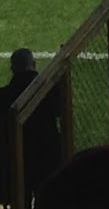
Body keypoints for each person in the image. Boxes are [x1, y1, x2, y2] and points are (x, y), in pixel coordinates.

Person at [2, 49, 63, 209]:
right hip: (48, 155)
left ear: (12, 68)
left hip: (17, 158)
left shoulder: (4, 96)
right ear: (34, 65)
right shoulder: (50, 90)